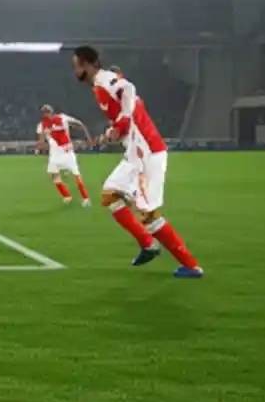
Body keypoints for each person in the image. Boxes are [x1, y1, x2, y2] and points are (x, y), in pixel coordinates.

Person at [71, 46, 203, 278]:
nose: (74, 70)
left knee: (148, 214)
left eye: (76, 65)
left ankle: (191, 266)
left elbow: (128, 89)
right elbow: (125, 114)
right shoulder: (99, 88)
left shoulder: (105, 80)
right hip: (136, 152)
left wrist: (121, 120)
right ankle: (148, 244)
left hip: (146, 153)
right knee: (110, 195)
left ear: (87, 63)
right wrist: (114, 131)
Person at [35, 104, 94, 206]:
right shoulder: (42, 125)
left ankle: (85, 198)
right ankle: (67, 196)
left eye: (47, 112)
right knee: (54, 176)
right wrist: (38, 148)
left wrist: (88, 137)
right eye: (44, 112)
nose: (46, 114)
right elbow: (41, 139)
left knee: (76, 174)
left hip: (67, 151)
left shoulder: (62, 118)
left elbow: (79, 124)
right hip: (54, 155)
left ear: (51, 112)